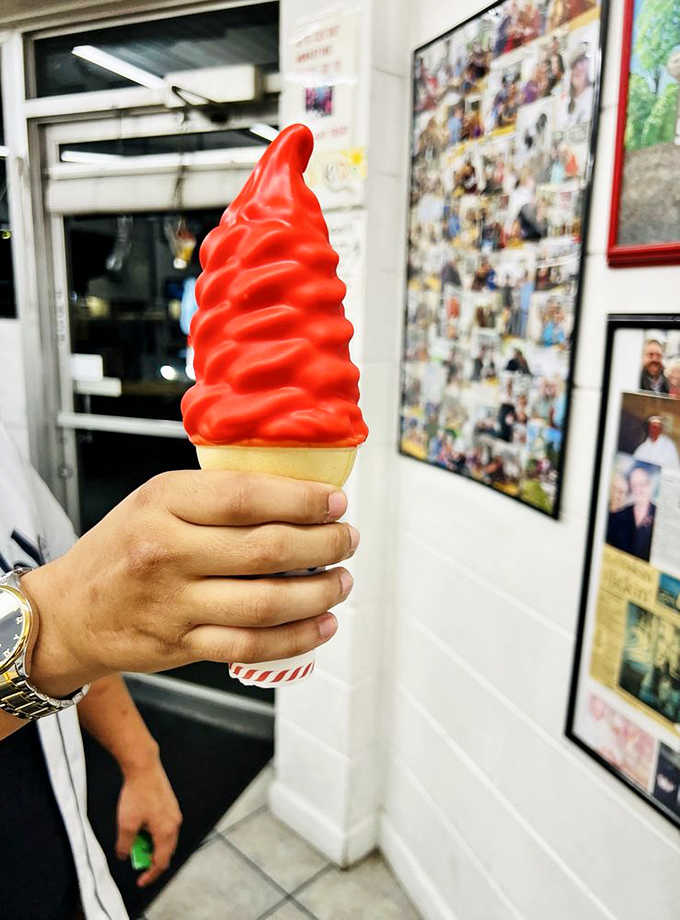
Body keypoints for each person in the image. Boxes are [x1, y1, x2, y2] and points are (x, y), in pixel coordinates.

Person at [0, 423, 357, 918]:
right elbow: (65, 622)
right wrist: (60, 629)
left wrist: (140, 760)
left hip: (74, 869)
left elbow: (78, 612)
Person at [606, 464, 656, 562]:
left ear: (650, 485)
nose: (639, 490)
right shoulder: (618, 515)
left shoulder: (659, 515)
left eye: (643, 484)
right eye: (635, 485)